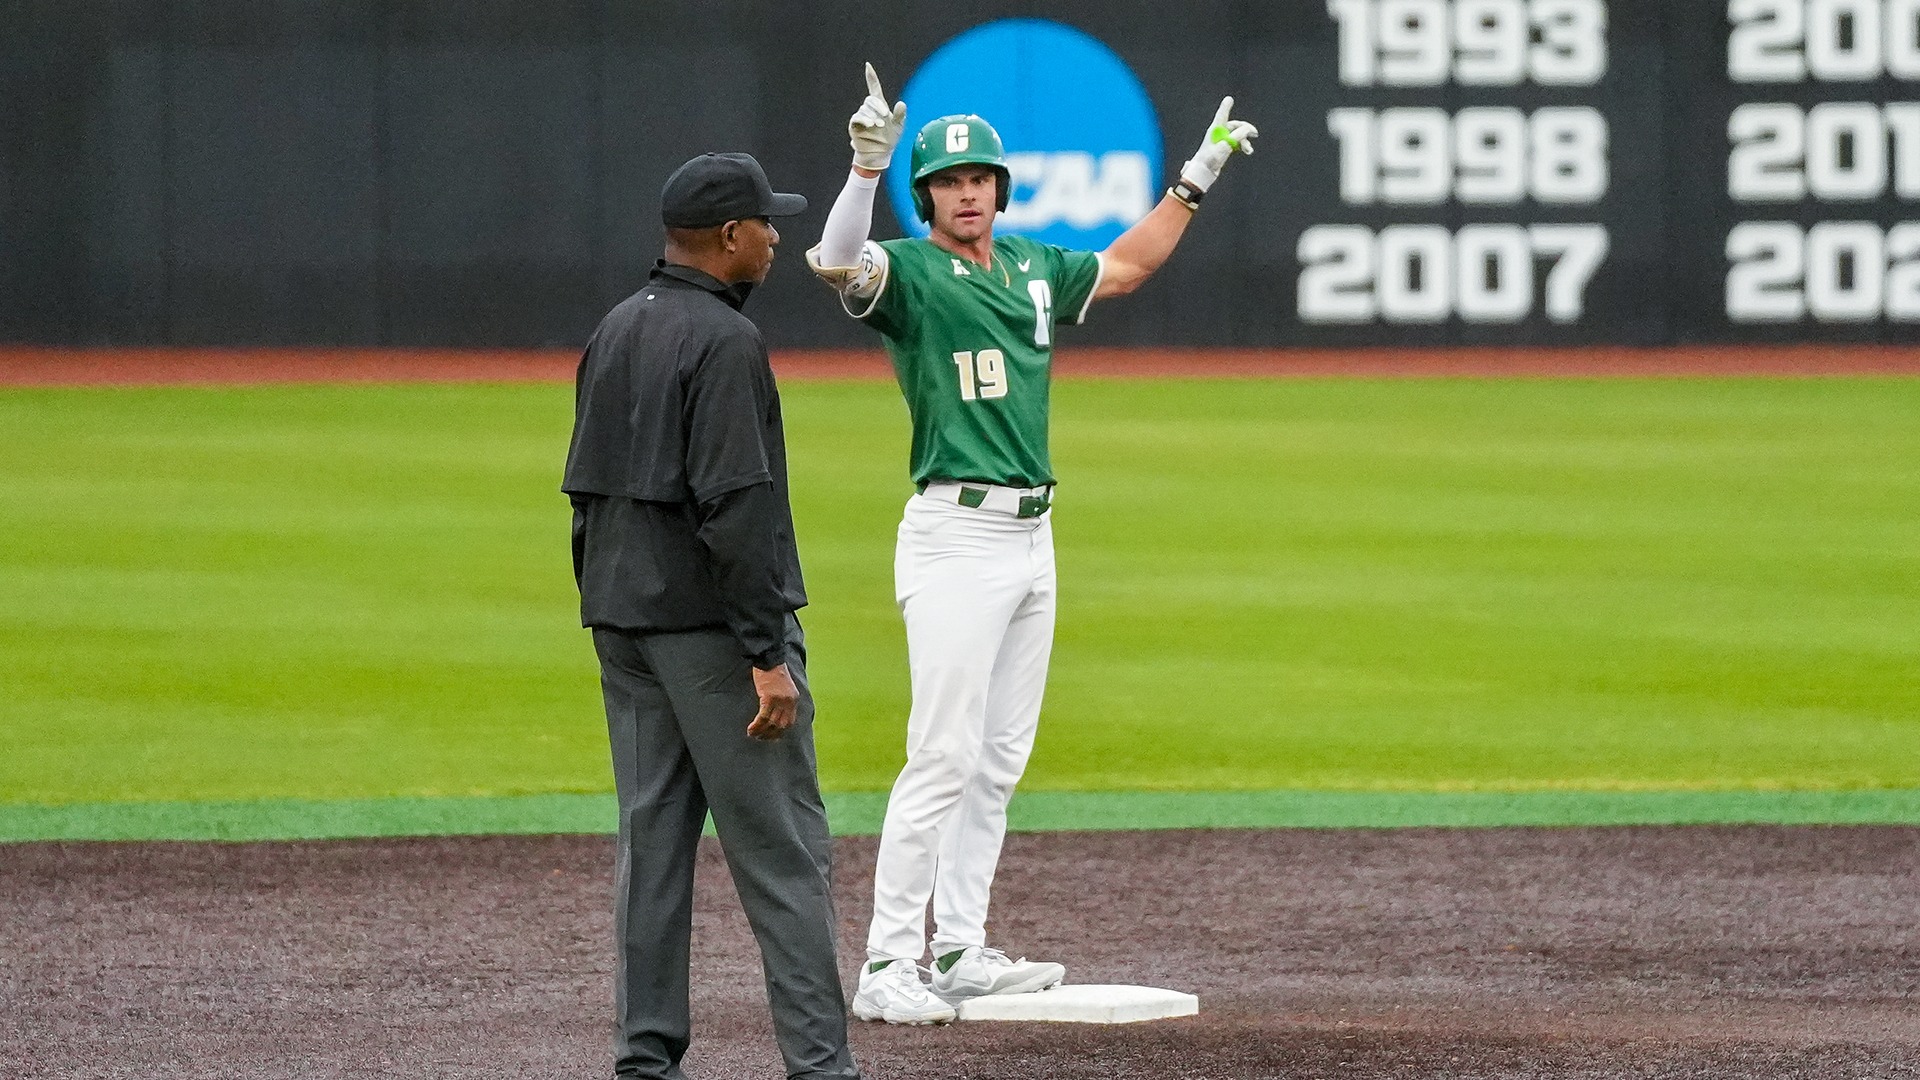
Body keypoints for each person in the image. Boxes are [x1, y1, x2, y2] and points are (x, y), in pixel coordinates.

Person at [806, 66, 1259, 1025]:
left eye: (981, 178)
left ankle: (960, 946)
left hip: (1030, 536)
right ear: (924, 195)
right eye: (948, 180)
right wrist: (861, 171)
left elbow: (1128, 266)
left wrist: (1194, 181)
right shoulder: (911, 272)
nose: (967, 191)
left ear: (1001, 190)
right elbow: (837, 262)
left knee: (999, 758)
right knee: (941, 752)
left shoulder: (1032, 266)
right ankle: (889, 962)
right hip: (953, 534)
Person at [563, 152, 861, 1080]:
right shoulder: (727, 342)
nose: (778, 236)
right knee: (783, 854)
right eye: (767, 223)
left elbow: (583, 490)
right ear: (730, 237)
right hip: (711, 636)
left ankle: (644, 1061)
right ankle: (822, 1068)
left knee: (651, 845)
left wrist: (611, 613)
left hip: (622, 622)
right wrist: (766, 654)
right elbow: (738, 508)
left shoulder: (616, 326)